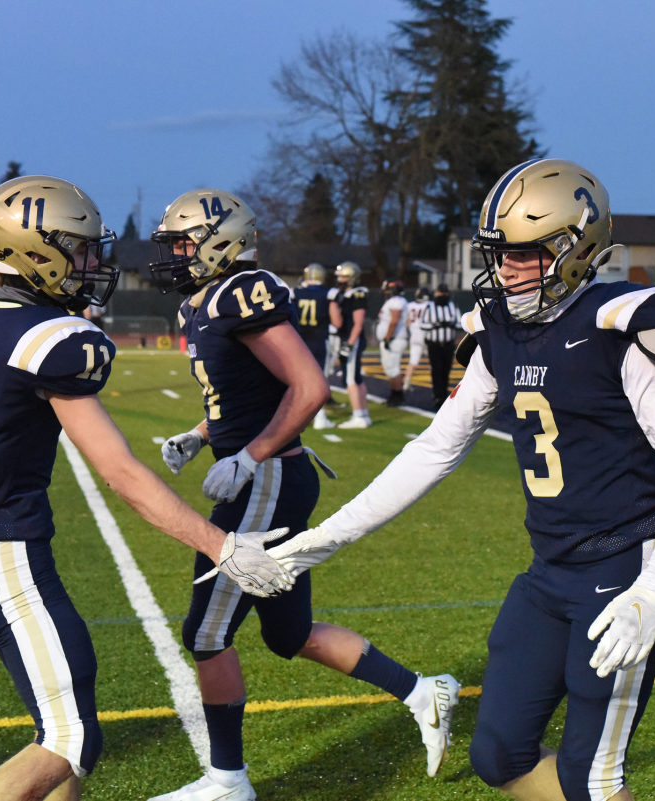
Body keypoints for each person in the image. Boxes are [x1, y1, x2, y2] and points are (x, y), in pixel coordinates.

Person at [271, 158, 655, 800]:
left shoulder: (620, 325)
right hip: (549, 568)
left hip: (624, 563)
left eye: (524, 254)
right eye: (498, 254)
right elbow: (435, 448)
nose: (505, 269)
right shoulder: (499, 331)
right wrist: (324, 539)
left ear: (575, 248)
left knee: (593, 778)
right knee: (498, 753)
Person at [0, 175, 292, 801]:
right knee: (71, 740)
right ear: (35, 253)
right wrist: (223, 546)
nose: (92, 263)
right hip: (3, 554)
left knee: (57, 734)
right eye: (78, 249)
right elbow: (121, 474)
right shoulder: (52, 340)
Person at [147, 189, 458, 800]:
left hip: (267, 480)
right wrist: (201, 434)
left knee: (206, 635)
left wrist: (249, 455)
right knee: (288, 636)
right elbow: (243, 396)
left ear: (220, 240)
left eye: (185, 243)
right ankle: (425, 692)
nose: (176, 255)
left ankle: (227, 781)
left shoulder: (243, 291)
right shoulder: (200, 305)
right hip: (262, 476)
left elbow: (309, 387)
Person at [292, 262, 337, 430]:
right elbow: (337, 321)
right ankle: (320, 417)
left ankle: (299, 417)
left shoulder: (296, 293)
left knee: (300, 380)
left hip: (300, 341)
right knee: (320, 380)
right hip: (320, 340)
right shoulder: (328, 294)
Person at [330, 261, 372, 429]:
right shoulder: (345, 294)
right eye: (339, 276)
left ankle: (358, 416)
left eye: (344, 276)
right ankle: (363, 414)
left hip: (351, 340)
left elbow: (358, 323)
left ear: (353, 277)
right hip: (347, 339)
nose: (340, 279)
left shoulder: (358, 293)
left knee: (350, 379)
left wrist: (350, 343)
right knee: (356, 378)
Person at [419, 283, 462, 410]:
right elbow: (423, 324)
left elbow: (460, 323)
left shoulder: (452, 306)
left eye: (444, 293)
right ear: (436, 294)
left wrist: (450, 325)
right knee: (436, 370)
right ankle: (438, 396)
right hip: (434, 344)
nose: (442, 296)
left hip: (448, 344)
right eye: (440, 293)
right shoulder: (429, 306)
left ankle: (443, 395)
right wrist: (436, 325)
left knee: (446, 370)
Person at [376, 278, 409, 407]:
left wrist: (387, 338)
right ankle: (394, 394)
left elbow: (394, 321)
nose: (386, 292)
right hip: (392, 339)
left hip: (394, 340)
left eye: (388, 289)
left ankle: (398, 396)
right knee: (390, 368)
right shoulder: (394, 301)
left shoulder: (396, 301)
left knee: (393, 368)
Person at [402, 286, 432, 393]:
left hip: (414, 336)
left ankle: (406, 382)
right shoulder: (430, 305)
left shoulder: (409, 305)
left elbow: (407, 322)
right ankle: (436, 384)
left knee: (413, 362)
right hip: (428, 337)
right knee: (435, 362)